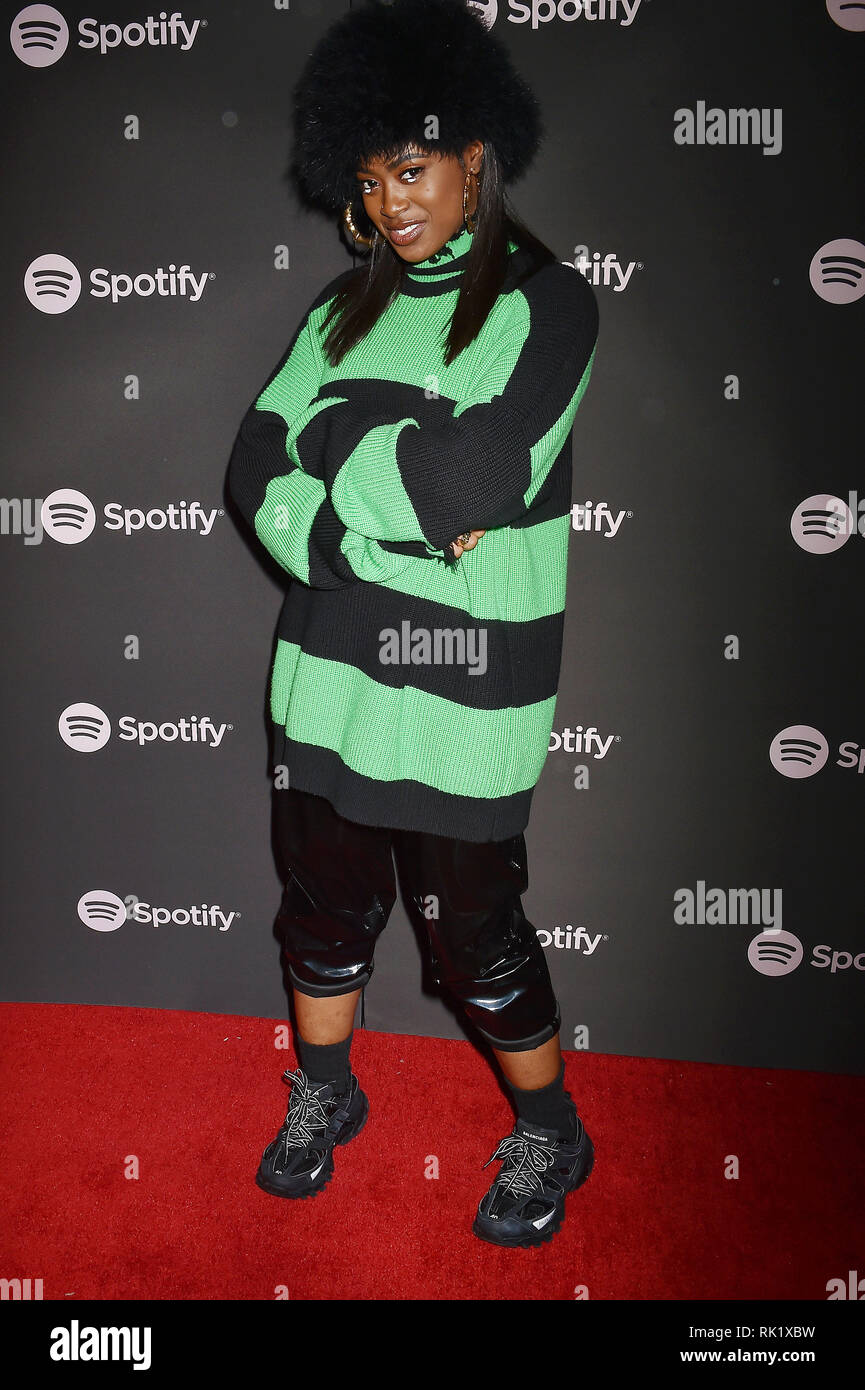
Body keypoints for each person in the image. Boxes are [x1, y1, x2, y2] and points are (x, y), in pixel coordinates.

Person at [227, 0, 599, 1249]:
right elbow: (254, 470)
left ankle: (551, 1126)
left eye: (417, 168)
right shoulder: (338, 309)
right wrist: (370, 509)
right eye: (375, 174)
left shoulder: (552, 306)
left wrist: (336, 466)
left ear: (477, 156)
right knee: (320, 909)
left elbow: (474, 477)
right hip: (325, 676)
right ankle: (326, 1094)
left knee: (476, 940)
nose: (393, 199)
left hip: (466, 690)